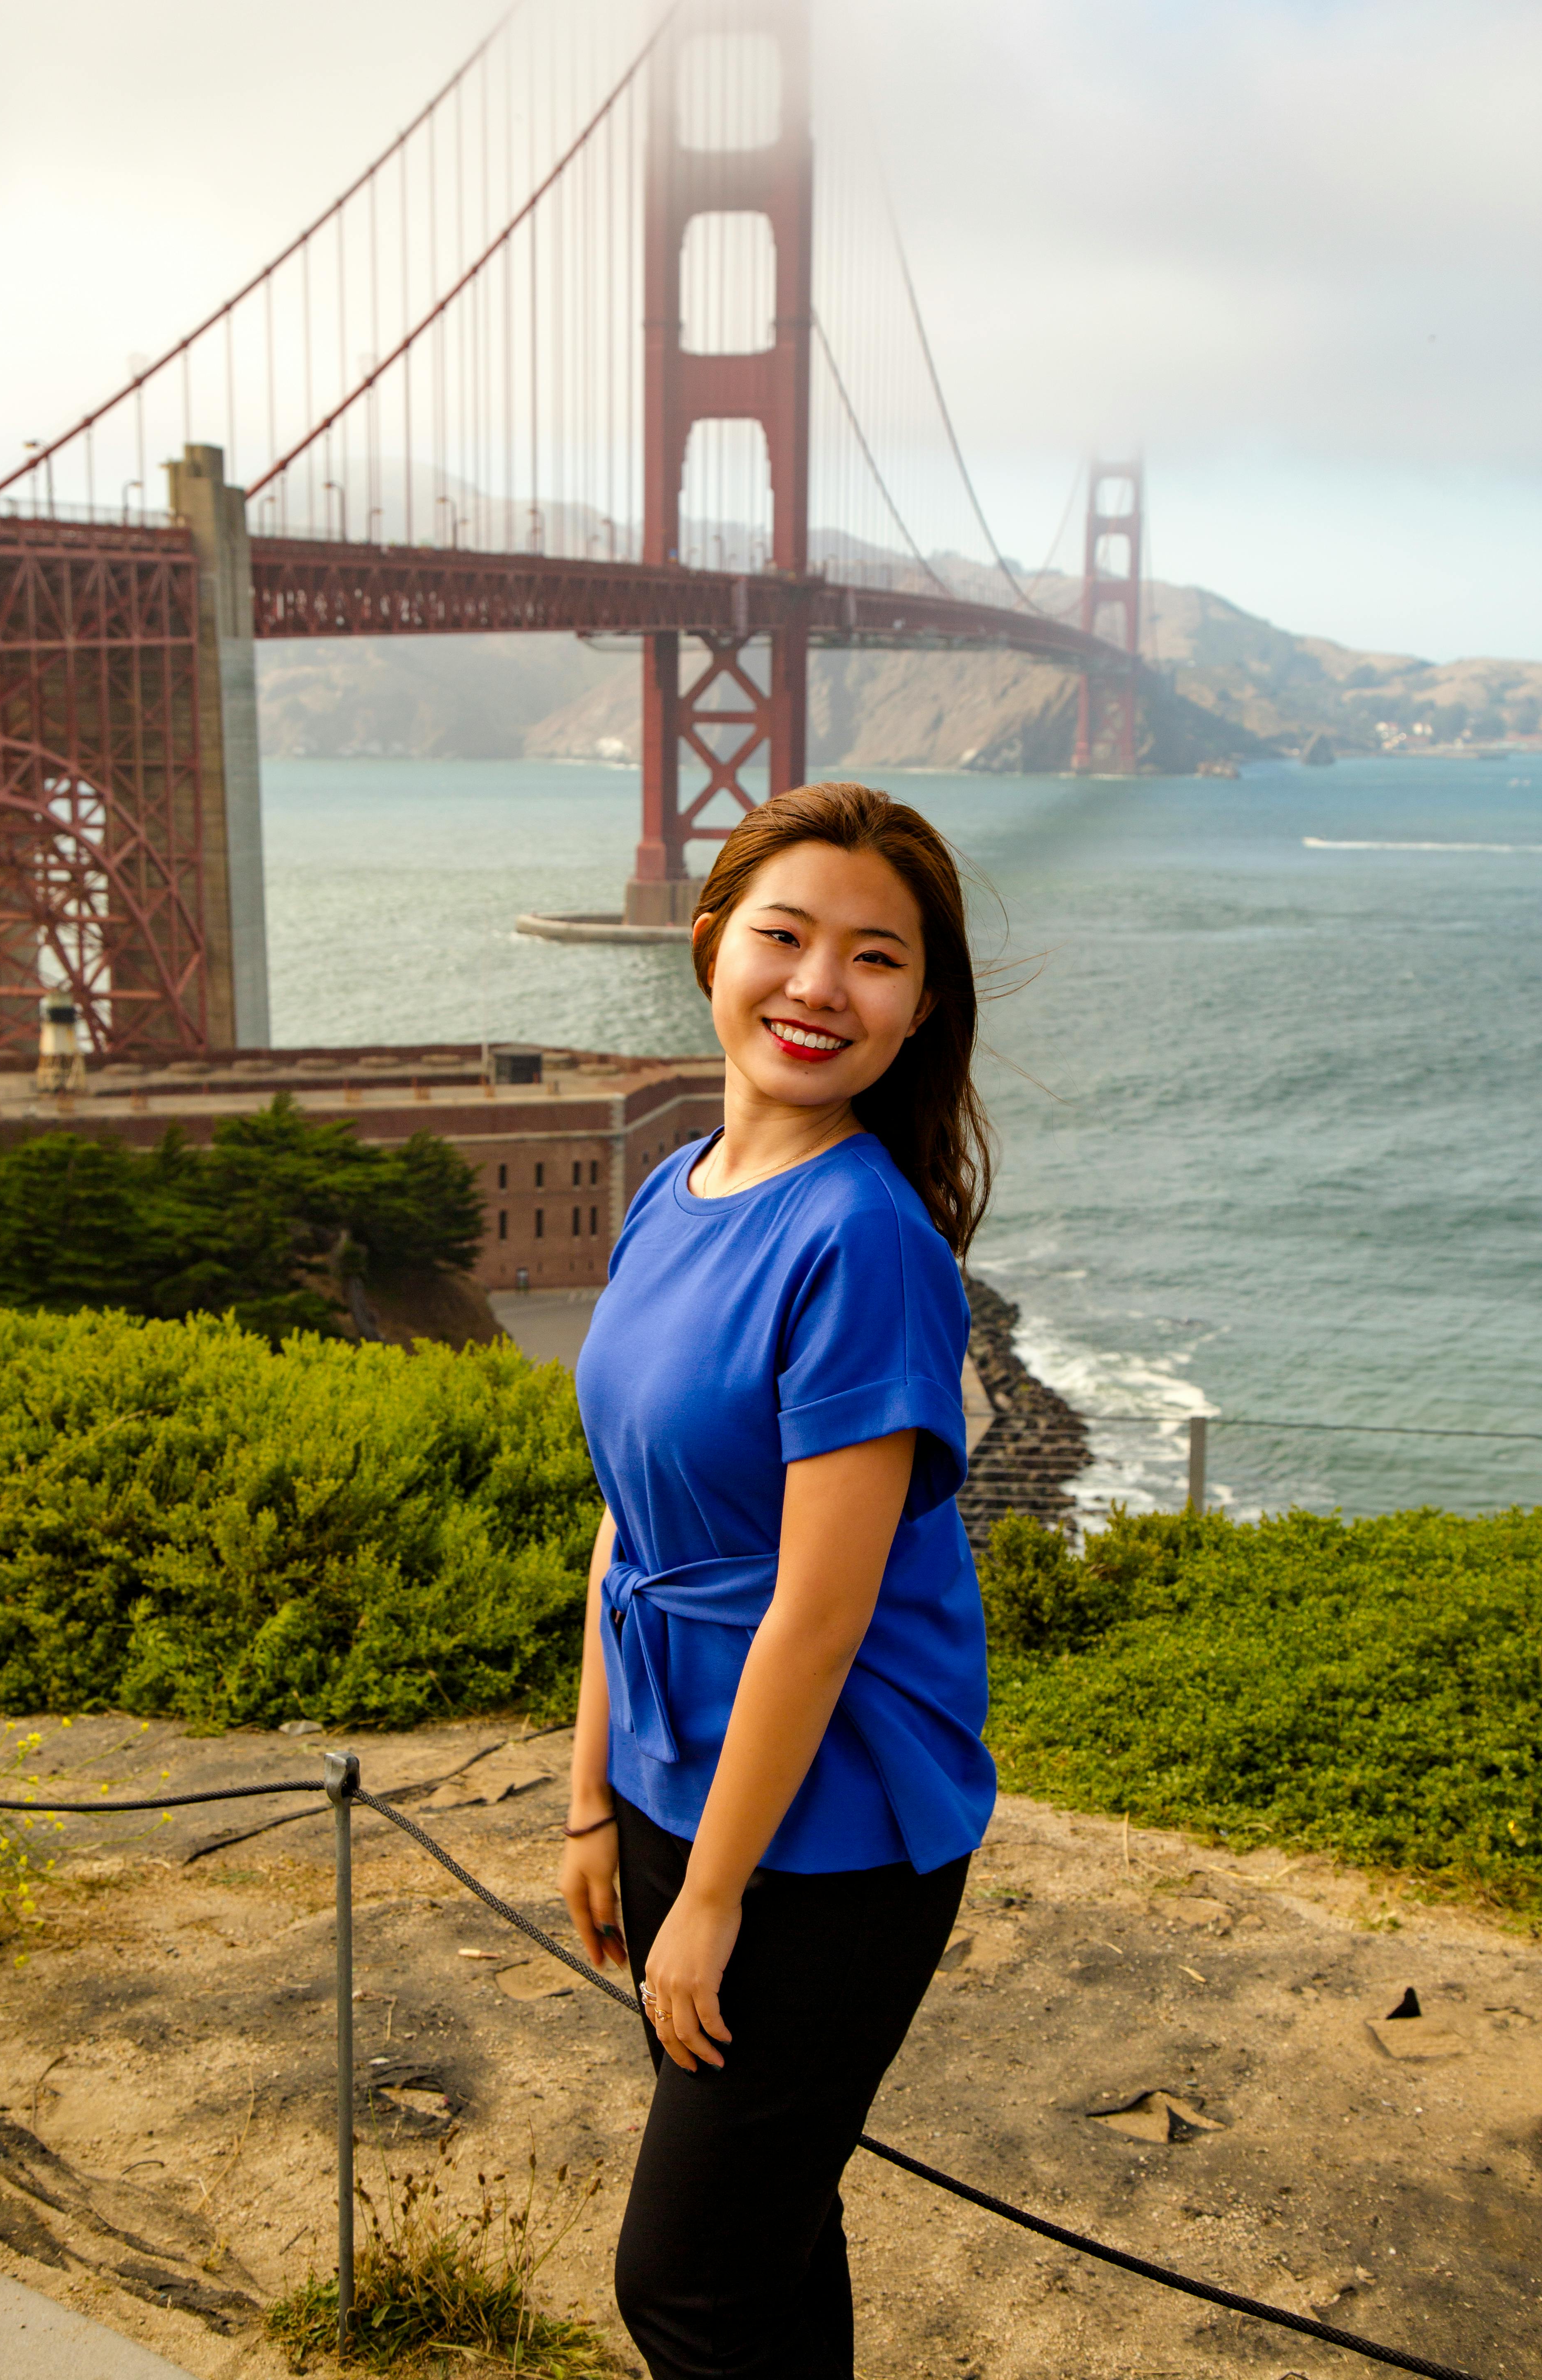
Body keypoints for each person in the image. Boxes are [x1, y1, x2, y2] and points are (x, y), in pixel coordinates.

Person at [562, 780, 998, 2380]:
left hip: (829, 1839)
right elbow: (628, 1519)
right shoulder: (675, 1188)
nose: (821, 986)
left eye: (875, 958)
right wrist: (593, 1800)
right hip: (689, 1779)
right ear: (710, 949)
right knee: (768, 2240)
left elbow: (819, 1615)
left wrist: (720, 1896)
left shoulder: (868, 1243)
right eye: (786, 936)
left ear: (917, 1011)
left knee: (686, 2284)